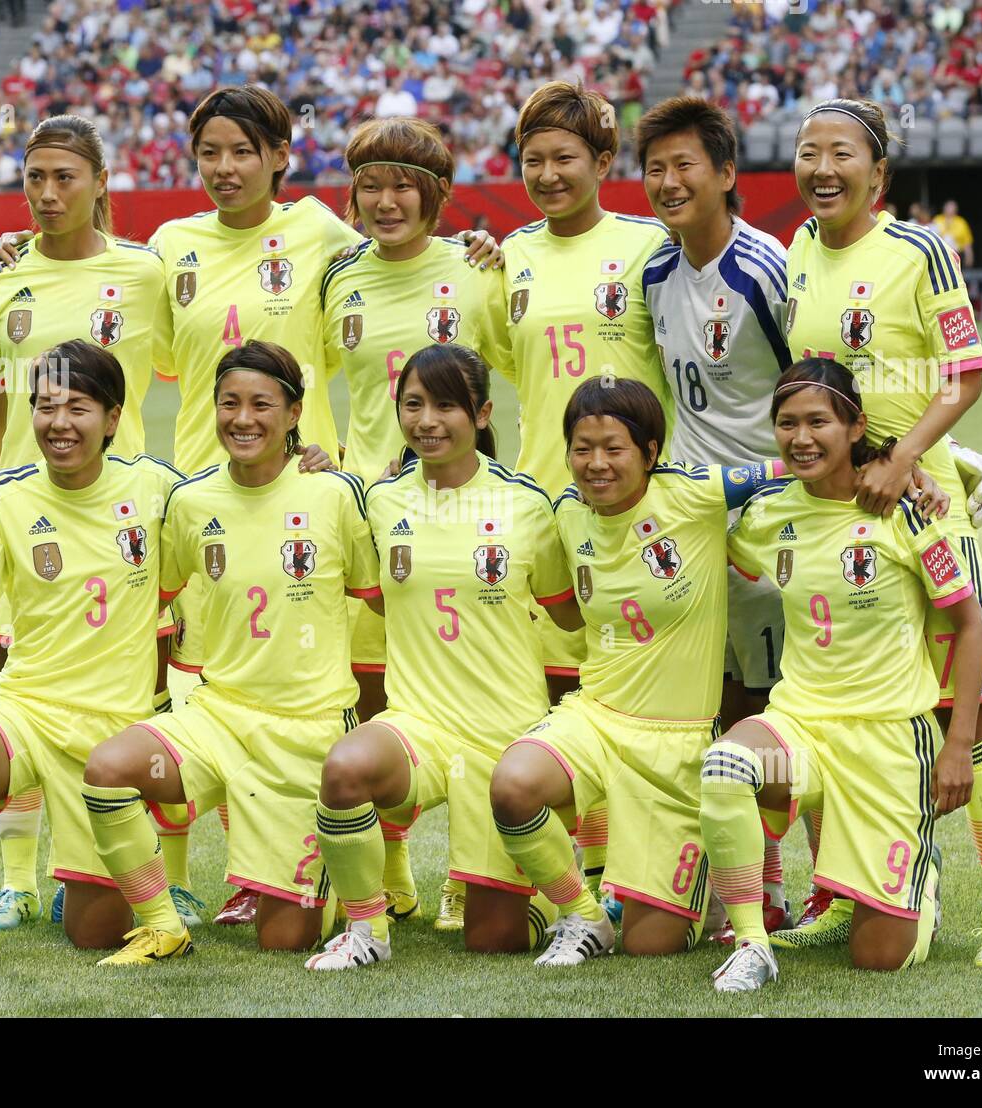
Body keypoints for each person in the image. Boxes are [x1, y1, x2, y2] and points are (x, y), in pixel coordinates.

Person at [0, 87, 500, 927]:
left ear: (280, 158)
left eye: (243, 152)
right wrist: (17, 246)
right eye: (209, 153)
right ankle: (176, 874)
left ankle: (385, 868)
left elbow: (398, 256)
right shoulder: (167, 251)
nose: (225, 169)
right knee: (181, 688)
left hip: (307, 495)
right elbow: (81, 274)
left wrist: (478, 242)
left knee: (354, 679)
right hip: (186, 497)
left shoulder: (325, 234)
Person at [783, 98, 982, 966]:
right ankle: (840, 895)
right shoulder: (795, 254)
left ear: (878, 173)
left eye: (841, 153)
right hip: (832, 510)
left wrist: (908, 458)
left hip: (917, 501)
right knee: (833, 705)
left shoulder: (920, 250)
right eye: (808, 152)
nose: (822, 168)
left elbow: (964, 377)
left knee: (972, 711)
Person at [80, 341, 381, 963]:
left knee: (282, 942)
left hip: (307, 732)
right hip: (216, 718)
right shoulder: (190, 503)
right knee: (109, 768)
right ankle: (163, 922)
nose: (242, 419)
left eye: (261, 404)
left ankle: (344, 888)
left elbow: (385, 598)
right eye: (229, 403)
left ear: (295, 414)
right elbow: (148, 599)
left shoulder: (333, 494)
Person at [488, 377, 790, 966]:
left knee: (654, 947)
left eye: (613, 447)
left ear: (651, 452)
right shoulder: (568, 514)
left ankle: (701, 892)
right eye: (582, 447)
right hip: (594, 720)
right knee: (514, 785)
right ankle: (584, 915)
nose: (595, 463)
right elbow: (566, 610)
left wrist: (907, 467)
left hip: (674, 747)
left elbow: (798, 464)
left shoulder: (696, 494)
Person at [706, 358, 982, 991]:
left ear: (856, 426)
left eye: (818, 422)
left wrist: (959, 745)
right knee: (726, 764)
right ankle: (752, 943)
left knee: (881, 957)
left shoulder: (908, 512)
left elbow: (969, 626)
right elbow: (699, 529)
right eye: (786, 425)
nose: (801, 437)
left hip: (887, 741)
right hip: (801, 728)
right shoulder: (767, 517)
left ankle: (917, 879)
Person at [0, 113, 176, 932]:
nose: (48, 195)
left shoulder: (148, 273)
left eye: (65, 177)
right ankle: (16, 879)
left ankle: (149, 873)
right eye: (35, 179)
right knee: (19, 688)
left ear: (99, 184)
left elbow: (194, 365)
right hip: (27, 522)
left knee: (140, 699)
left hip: (123, 521)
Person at [0, 342, 183, 971]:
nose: (58, 423)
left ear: (113, 418)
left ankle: (86, 885)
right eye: (44, 406)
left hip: (111, 736)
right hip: (25, 711)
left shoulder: (157, 487)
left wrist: (301, 459)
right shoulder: (7, 493)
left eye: (77, 407)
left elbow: (242, 506)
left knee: (95, 933)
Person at [306, 345, 577, 970]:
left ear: (481, 413)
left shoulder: (528, 504)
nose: (428, 420)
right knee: (345, 767)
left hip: (503, 737)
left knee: (493, 940)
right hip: (420, 725)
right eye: (414, 404)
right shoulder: (380, 502)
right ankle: (366, 931)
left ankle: (552, 892)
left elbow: (569, 613)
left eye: (446, 405)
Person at [319, 117, 512, 926]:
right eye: (370, 186)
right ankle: (393, 869)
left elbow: (523, 361)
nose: (386, 200)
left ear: (435, 194)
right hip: (372, 516)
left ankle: (474, 870)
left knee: (477, 686)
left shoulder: (476, 272)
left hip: (467, 517)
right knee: (373, 695)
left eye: (404, 186)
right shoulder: (336, 278)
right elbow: (298, 372)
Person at [500, 80, 675, 907]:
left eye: (565, 158)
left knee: (642, 688)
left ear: (604, 161)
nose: (548, 174)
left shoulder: (649, 247)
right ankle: (585, 879)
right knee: (561, 688)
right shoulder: (505, 257)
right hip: (546, 504)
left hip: (641, 507)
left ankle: (693, 874)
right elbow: (503, 370)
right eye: (532, 160)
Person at [635, 95, 796, 939]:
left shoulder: (768, 269)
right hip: (697, 525)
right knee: (717, 700)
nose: (667, 182)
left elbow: (820, 384)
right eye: (654, 168)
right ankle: (737, 881)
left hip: (776, 522)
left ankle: (794, 885)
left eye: (684, 165)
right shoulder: (655, 275)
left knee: (782, 702)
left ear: (727, 174)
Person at [934, 200, 974, 268]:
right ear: (944, 208)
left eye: (952, 207)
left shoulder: (961, 222)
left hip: (957, 254)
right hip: (940, 254)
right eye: (948, 207)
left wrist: (969, 257)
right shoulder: (937, 220)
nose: (950, 209)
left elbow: (967, 243)